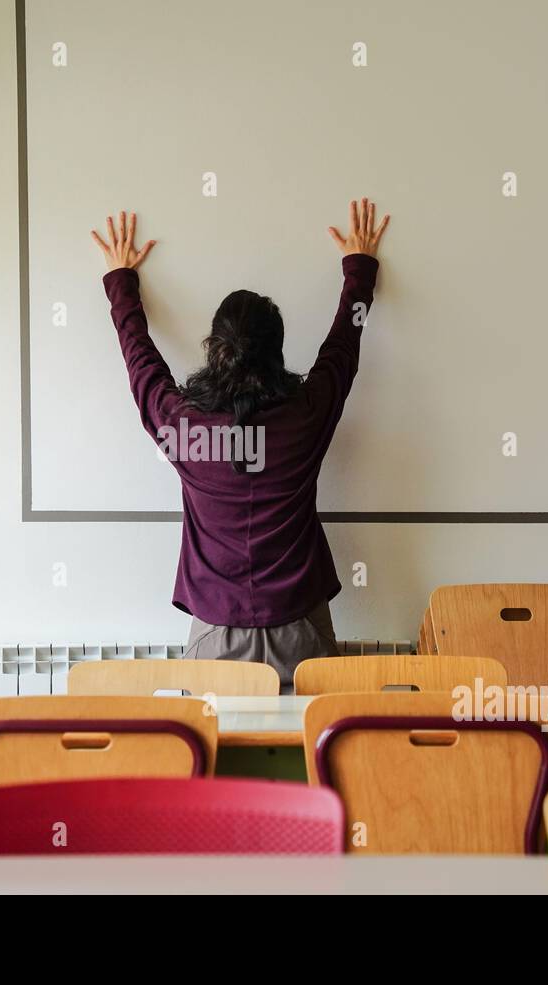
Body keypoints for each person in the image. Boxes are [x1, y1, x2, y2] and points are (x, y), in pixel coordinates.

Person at [90, 199, 389, 688]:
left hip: (214, 636)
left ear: (214, 349)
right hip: (303, 635)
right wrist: (359, 272)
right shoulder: (305, 417)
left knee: (216, 761)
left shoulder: (187, 431)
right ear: (277, 354)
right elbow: (343, 348)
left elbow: (141, 364)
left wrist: (122, 283)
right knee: (311, 758)